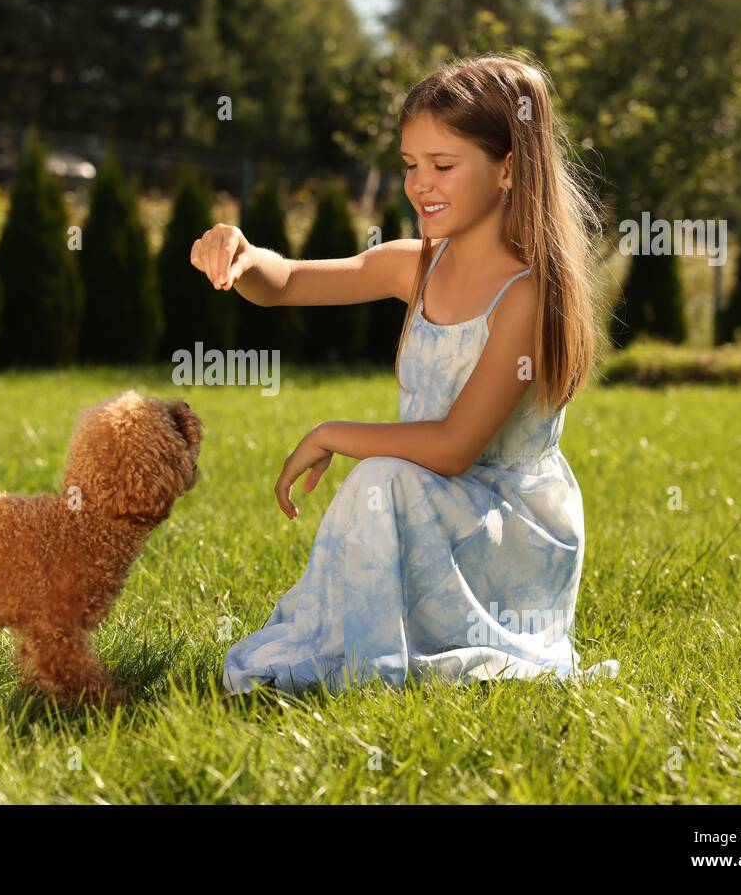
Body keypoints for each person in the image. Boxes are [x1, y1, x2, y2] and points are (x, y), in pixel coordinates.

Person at [189, 53, 620, 695]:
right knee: (386, 480)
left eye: (443, 165)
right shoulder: (415, 266)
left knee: (381, 478)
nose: (421, 184)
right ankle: (364, 653)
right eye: (411, 165)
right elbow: (285, 285)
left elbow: (451, 449)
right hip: (432, 504)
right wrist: (241, 252)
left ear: (508, 169)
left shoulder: (528, 295)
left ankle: (376, 667)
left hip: (507, 531)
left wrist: (333, 432)